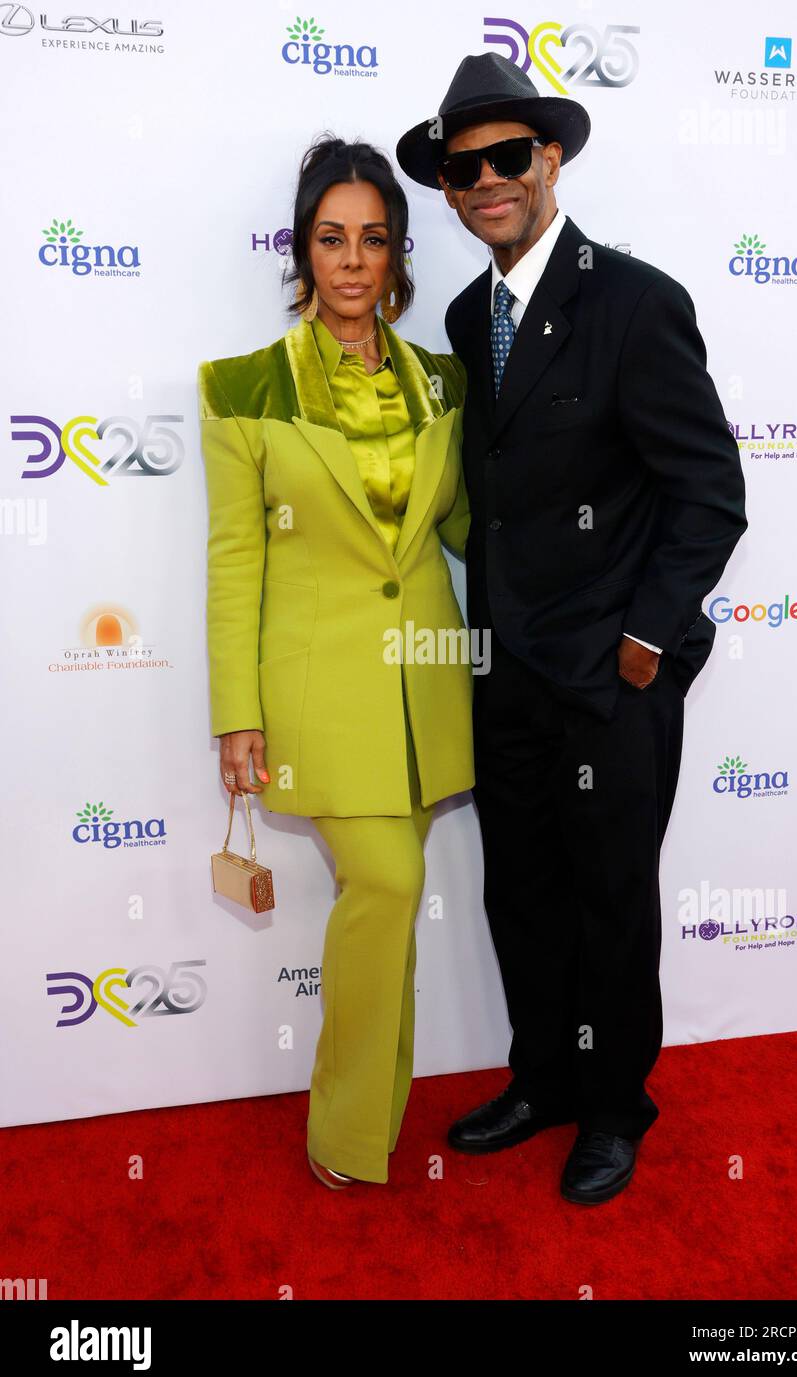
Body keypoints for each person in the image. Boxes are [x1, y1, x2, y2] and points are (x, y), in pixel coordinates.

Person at [396, 54, 747, 1204]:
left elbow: (707, 492)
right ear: (447, 190)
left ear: (549, 160)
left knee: (609, 900)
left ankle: (614, 1106)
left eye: (507, 156)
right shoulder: (463, 314)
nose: (487, 180)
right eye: (464, 167)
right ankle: (542, 1077)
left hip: (609, 679)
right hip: (506, 676)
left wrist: (644, 642)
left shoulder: (635, 301)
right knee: (522, 893)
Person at [197, 135, 473, 1188]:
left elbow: (456, 529)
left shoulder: (439, 381)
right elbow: (234, 564)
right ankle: (344, 1135)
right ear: (303, 250)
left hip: (425, 687)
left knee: (388, 906)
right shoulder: (244, 386)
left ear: (398, 252)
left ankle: (378, 1118)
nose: (352, 260)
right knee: (390, 882)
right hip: (318, 695)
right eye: (330, 238)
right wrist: (236, 714)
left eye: (372, 238)